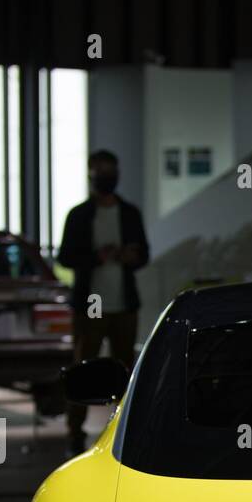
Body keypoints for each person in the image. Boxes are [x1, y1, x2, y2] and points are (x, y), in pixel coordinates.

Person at [57, 150, 149, 454]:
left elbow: (144, 254)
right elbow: (65, 257)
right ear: (90, 174)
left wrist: (129, 256)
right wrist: (97, 258)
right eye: (101, 171)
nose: (106, 177)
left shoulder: (129, 213)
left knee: (126, 371)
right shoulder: (80, 215)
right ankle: (74, 433)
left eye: (110, 171)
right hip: (89, 305)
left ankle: (126, 433)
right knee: (84, 370)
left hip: (124, 304)